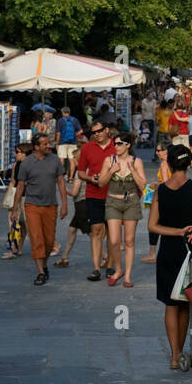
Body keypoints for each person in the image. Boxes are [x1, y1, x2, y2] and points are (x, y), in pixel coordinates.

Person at [148, 144, 192, 370]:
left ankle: (175, 356)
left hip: (169, 248)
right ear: (188, 163)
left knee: (169, 302)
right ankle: (180, 351)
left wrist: (176, 231)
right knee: (185, 302)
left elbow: (152, 226)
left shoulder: (161, 190)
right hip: (191, 248)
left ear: (169, 163)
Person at [13, 132, 68, 285]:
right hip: (32, 205)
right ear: (36, 147)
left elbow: (61, 182)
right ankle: (41, 272)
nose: (48, 145)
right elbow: (20, 186)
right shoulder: (26, 163)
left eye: (48, 143)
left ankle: (44, 265)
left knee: (49, 241)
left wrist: (64, 204)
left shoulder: (55, 160)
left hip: (50, 205)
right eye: (44, 144)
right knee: (37, 239)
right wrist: (15, 208)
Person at [99, 131, 147, 287]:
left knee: (129, 241)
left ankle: (127, 276)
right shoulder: (109, 160)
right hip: (113, 201)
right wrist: (111, 171)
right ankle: (118, 269)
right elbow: (101, 183)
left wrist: (132, 170)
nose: (116, 146)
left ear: (128, 145)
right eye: (115, 143)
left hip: (131, 202)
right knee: (114, 241)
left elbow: (143, 186)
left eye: (119, 143)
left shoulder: (136, 161)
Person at [77, 119, 117, 281]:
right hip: (93, 193)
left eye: (99, 131)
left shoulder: (117, 146)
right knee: (96, 230)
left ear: (107, 130)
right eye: (94, 133)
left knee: (112, 231)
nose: (97, 134)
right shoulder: (87, 148)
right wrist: (90, 178)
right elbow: (80, 172)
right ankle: (96, 268)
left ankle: (109, 266)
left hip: (114, 194)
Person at [2, 142, 29, 260]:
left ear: (25, 154)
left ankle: (17, 248)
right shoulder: (16, 165)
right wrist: (7, 197)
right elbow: (13, 181)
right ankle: (15, 249)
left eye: (17, 152)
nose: (15, 154)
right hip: (16, 197)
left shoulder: (29, 166)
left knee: (25, 224)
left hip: (26, 197)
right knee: (14, 223)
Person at [56, 107, 82, 181]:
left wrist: (57, 143)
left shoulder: (60, 121)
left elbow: (58, 133)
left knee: (62, 160)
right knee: (72, 160)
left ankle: (60, 177)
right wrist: (75, 135)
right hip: (73, 142)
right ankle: (71, 178)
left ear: (63, 112)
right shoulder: (75, 120)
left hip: (62, 142)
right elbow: (81, 131)